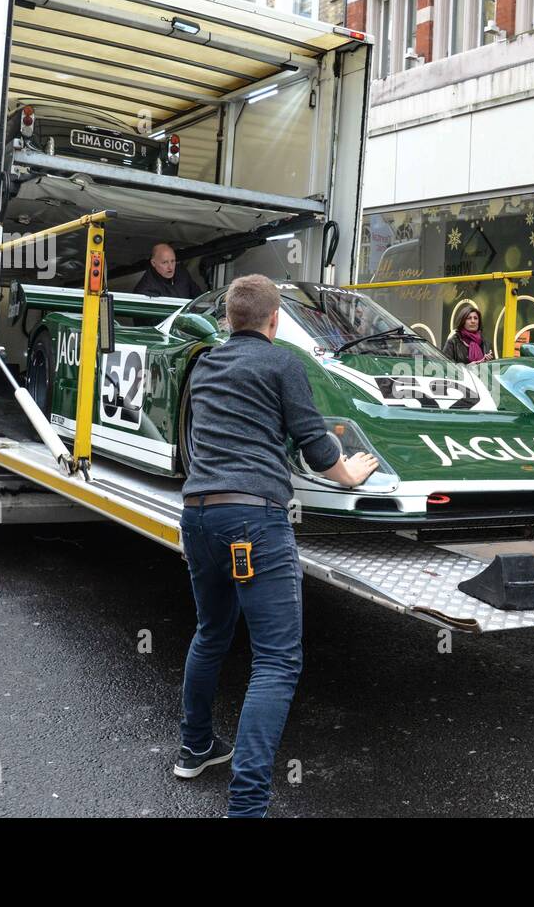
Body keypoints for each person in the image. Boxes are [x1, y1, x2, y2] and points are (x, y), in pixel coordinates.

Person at [176, 274, 378, 815]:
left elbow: (200, 440)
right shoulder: (283, 362)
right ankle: (246, 805)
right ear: (273, 321)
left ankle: (194, 747)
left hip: (197, 515)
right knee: (276, 661)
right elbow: (314, 444)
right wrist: (348, 474)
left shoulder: (204, 365)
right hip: (253, 521)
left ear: (228, 319)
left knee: (211, 631)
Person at [134, 242, 205, 300]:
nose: (170, 267)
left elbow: (199, 297)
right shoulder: (145, 289)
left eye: (173, 261)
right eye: (165, 262)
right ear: (153, 263)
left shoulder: (181, 273)